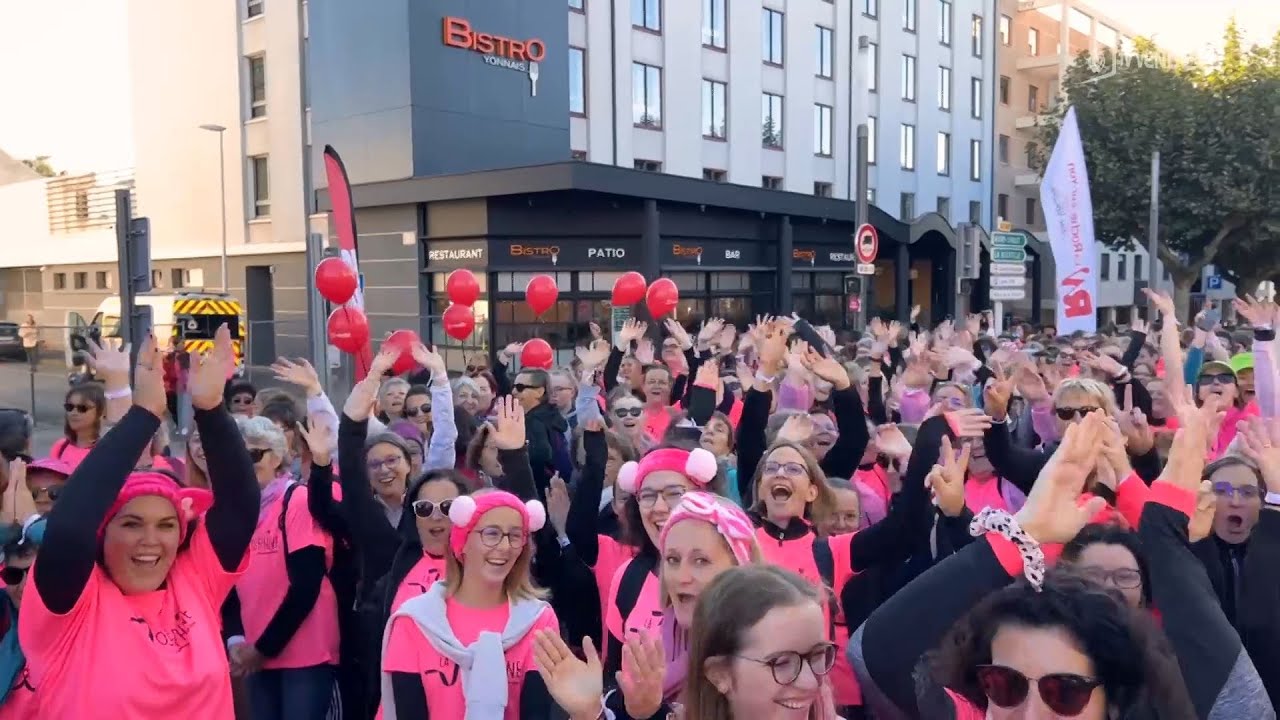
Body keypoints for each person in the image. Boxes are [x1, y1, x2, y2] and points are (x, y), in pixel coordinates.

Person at [18, 326, 258, 718]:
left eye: (166, 525)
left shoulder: (194, 579)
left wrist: (211, 409)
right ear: (103, 531)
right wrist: (143, 415)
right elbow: (69, 529)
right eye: (131, 524)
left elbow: (240, 508)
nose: (151, 540)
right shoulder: (70, 602)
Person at [379, 490, 558, 719]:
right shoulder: (414, 621)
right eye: (491, 534)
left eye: (514, 536)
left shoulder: (538, 619)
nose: (504, 547)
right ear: (461, 543)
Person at [227, 416, 339, 719]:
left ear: (276, 456)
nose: (245, 464)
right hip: (256, 652)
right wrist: (237, 639)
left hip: (304, 654)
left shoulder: (297, 500)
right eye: (238, 456)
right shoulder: (240, 510)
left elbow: (306, 585)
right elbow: (229, 584)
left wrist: (263, 648)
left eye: (253, 455)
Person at [0, 516, 44, 719]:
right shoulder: (4, 619)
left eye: (35, 574)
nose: (24, 585)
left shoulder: (76, 628)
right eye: (14, 575)